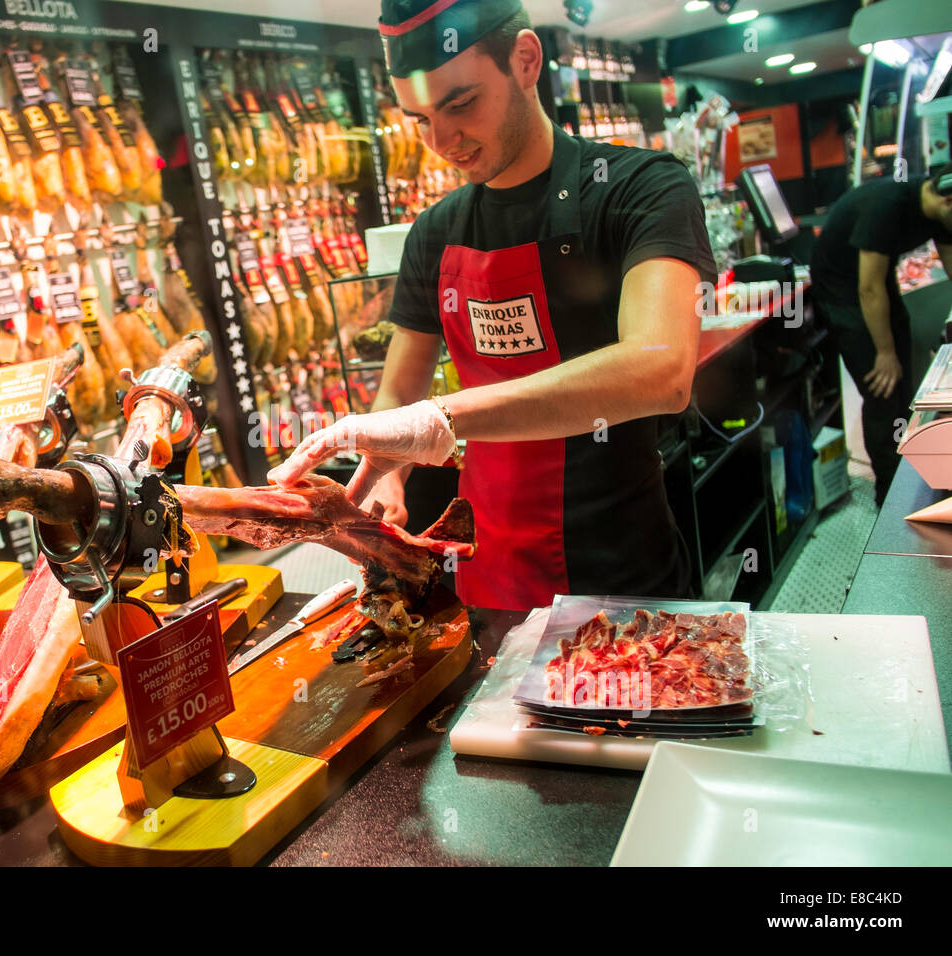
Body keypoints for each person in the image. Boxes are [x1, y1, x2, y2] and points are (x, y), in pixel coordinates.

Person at [267, 0, 717, 612]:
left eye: (461, 104)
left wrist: (439, 420)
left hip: (624, 579)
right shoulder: (436, 232)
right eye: (419, 118)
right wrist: (389, 472)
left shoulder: (641, 189)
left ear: (526, 60)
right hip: (487, 576)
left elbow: (661, 370)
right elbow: (400, 391)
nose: (441, 142)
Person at [809, 164, 952, 504]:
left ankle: (911, 477)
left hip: (875, 283)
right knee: (883, 389)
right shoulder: (887, 206)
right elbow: (868, 290)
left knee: (905, 382)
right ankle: (889, 496)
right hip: (843, 291)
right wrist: (884, 353)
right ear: (948, 200)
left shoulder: (943, 211)